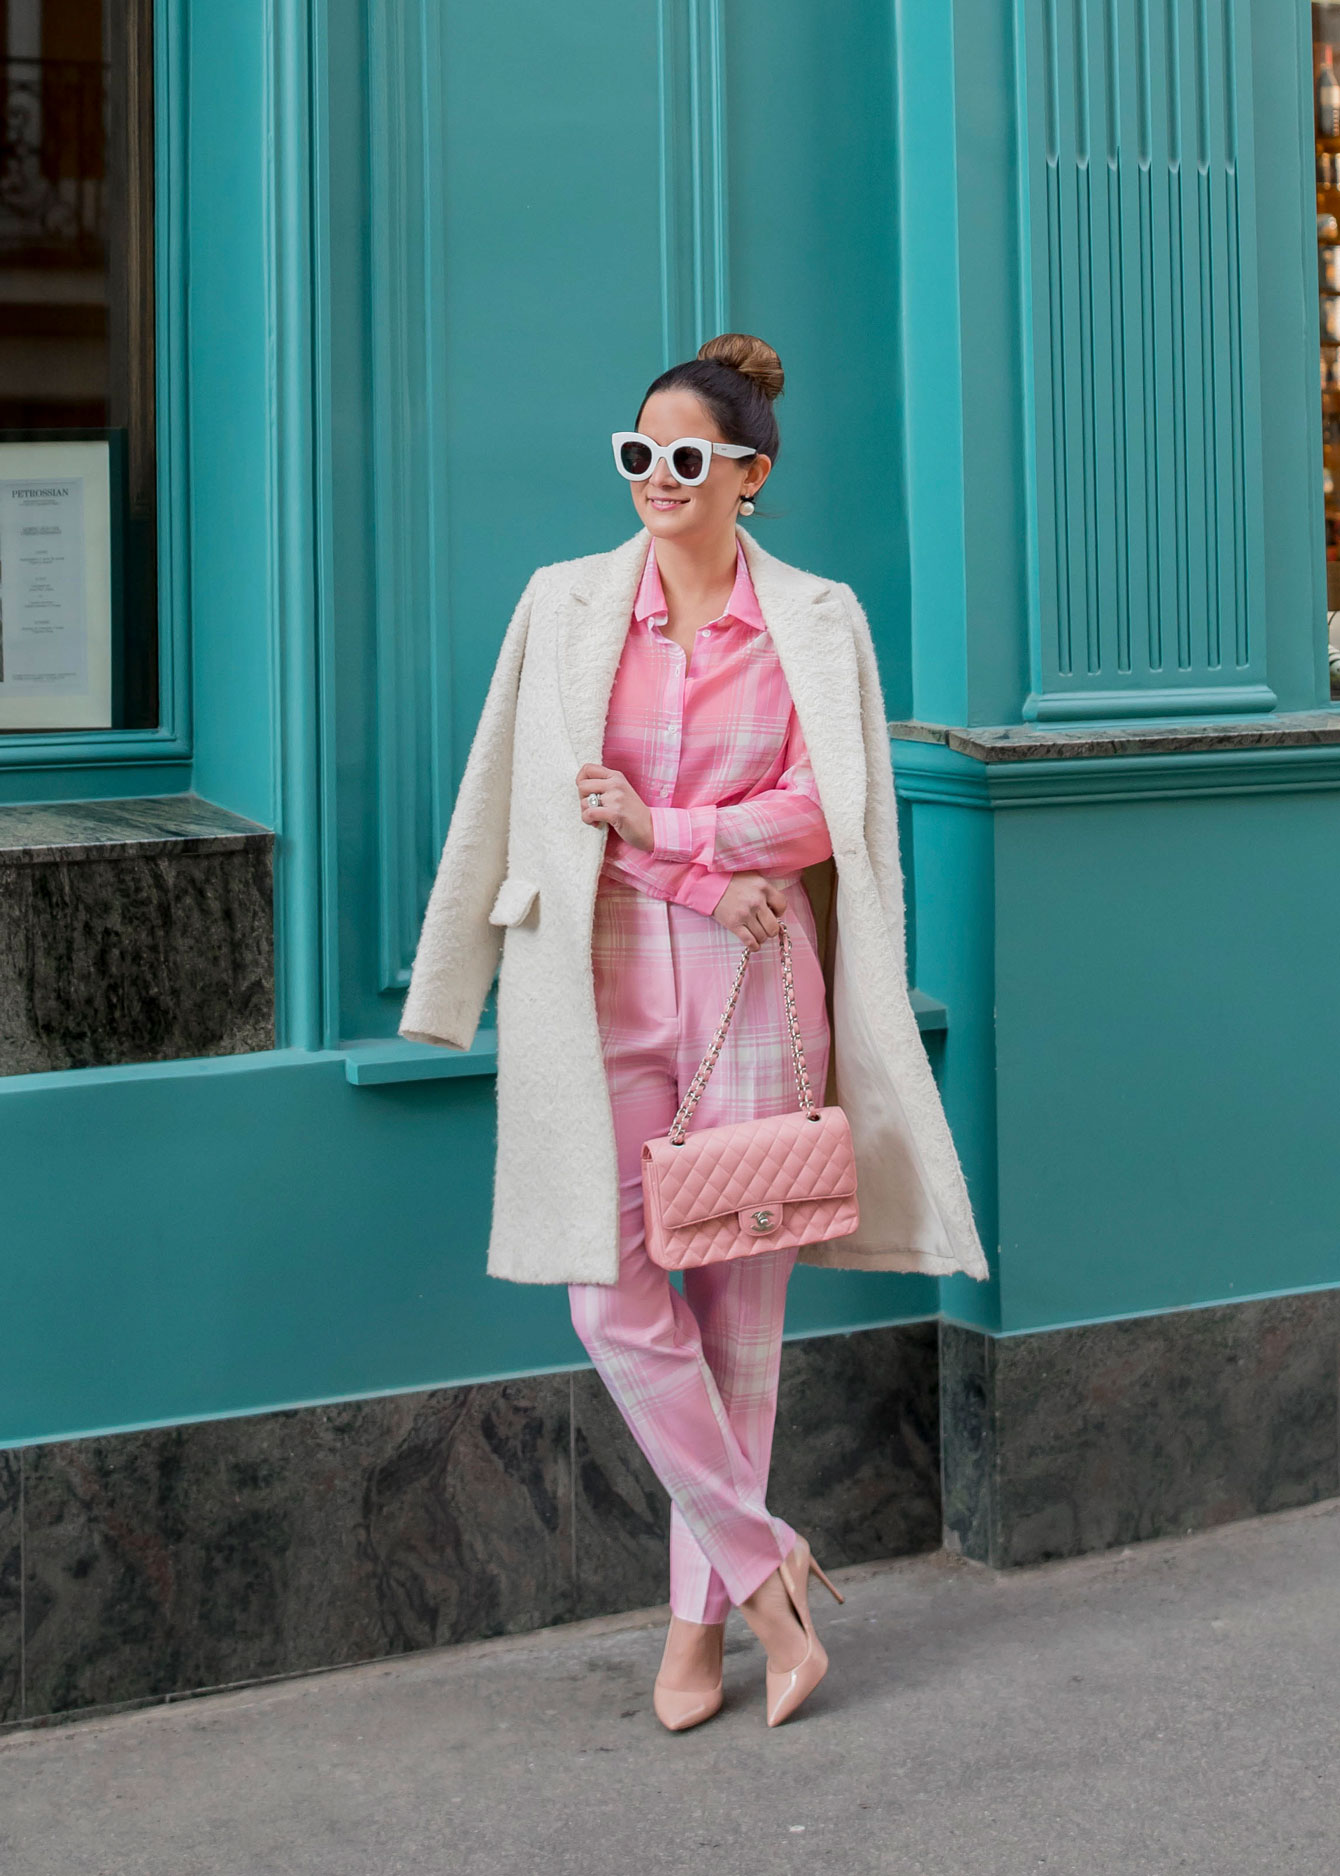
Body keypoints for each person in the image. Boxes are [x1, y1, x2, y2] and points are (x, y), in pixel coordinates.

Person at [399, 332, 990, 1735]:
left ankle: (692, 1628)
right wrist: (455, 972)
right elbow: (508, 790)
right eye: (635, 456)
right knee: (608, 1290)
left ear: (749, 476)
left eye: (684, 459)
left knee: (739, 1312)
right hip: (593, 986)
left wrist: (664, 838)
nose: (653, 480)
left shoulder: (817, 621)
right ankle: (765, 1565)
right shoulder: (562, 606)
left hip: (754, 991)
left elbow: (821, 812)